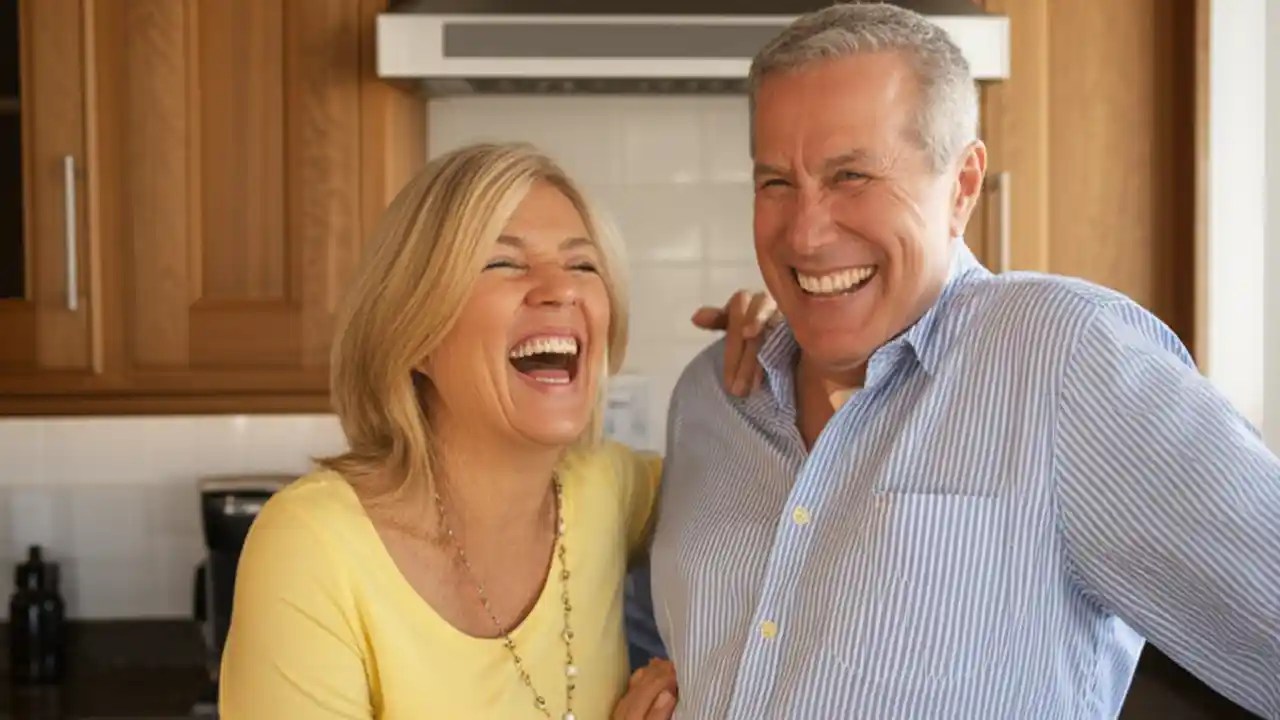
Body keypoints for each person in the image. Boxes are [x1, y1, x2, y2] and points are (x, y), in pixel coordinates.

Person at [634, 3, 1280, 719]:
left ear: (963, 185)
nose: (806, 235)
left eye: (852, 176)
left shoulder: (1068, 362)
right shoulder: (713, 397)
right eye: (777, 183)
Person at [218, 141, 773, 719]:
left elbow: (776, 495)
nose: (561, 288)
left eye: (583, 265)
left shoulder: (607, 489)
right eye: (503, 263)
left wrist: (791, 351)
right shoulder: (313, 547)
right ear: (415, 333)